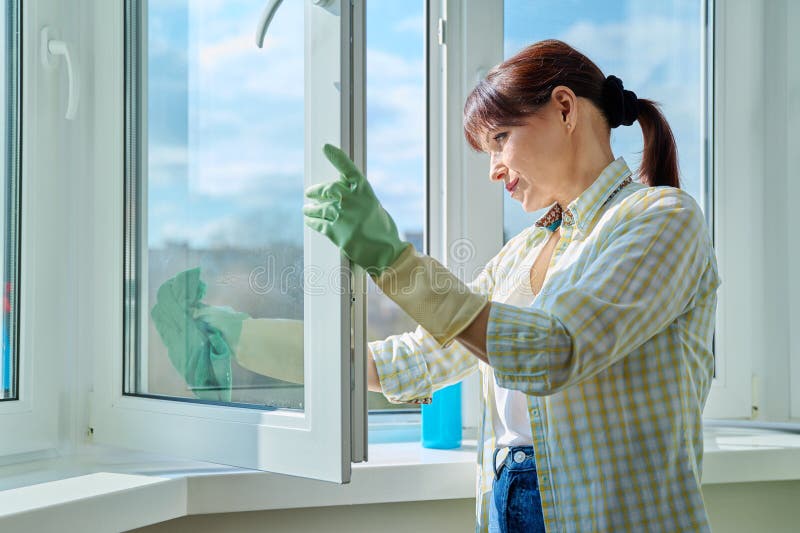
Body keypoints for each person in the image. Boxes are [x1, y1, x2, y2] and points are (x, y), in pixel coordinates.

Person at [303, 39, 721, 532]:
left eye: (500, 137)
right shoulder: (521, 252)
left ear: (565, 108)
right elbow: (416, 360)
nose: (493, 167)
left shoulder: (661, 219)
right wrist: (237, 340)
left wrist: (396, 263)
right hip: (510, 501)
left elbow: (554, 350)